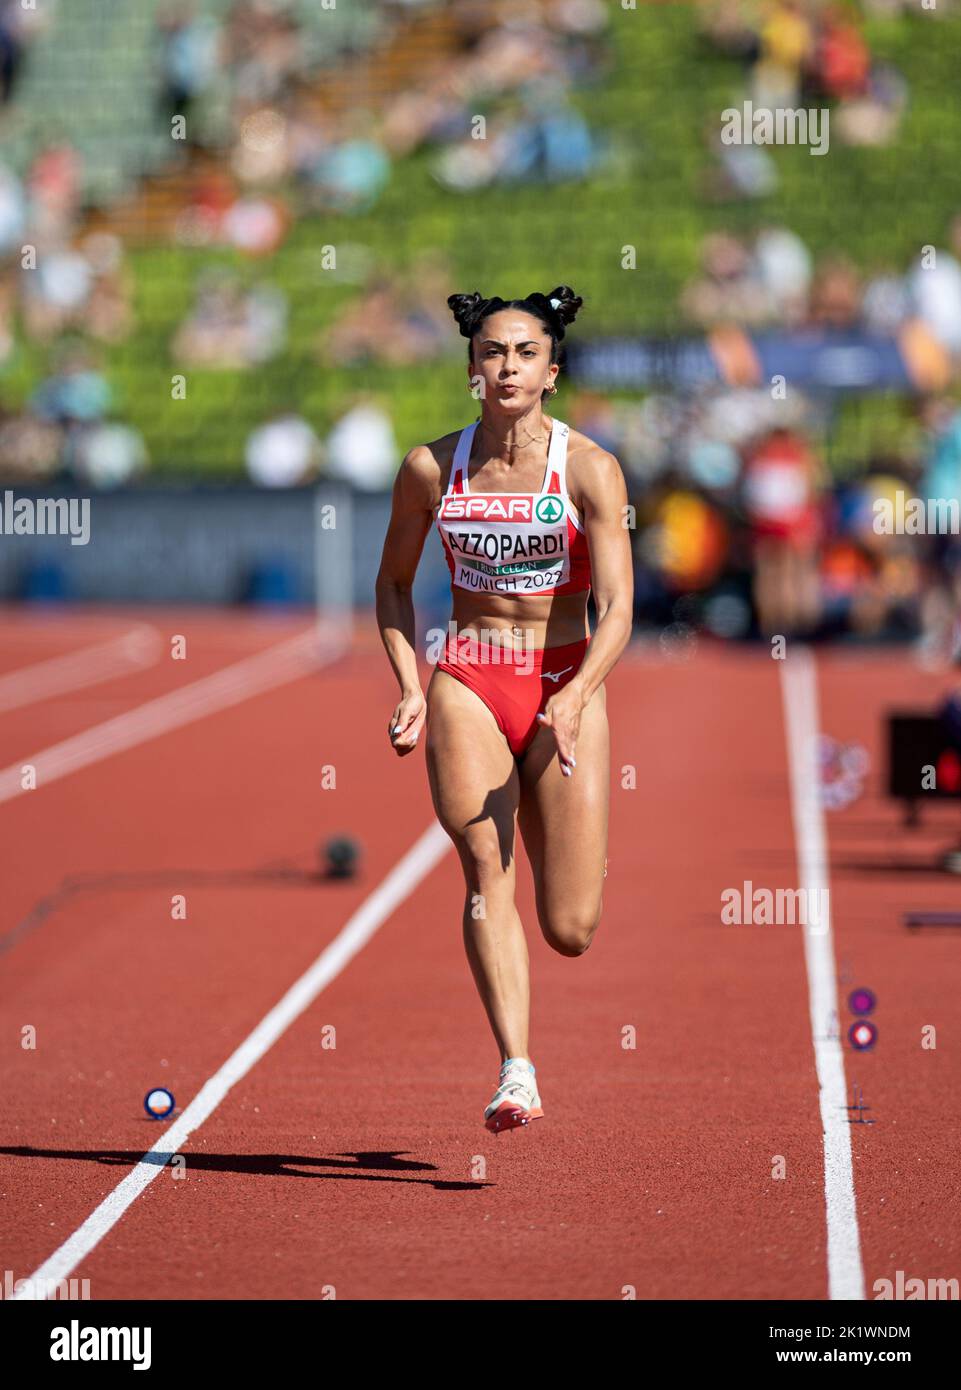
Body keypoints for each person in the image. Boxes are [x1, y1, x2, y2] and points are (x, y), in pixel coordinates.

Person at [375, 286, 634, 1133]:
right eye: (493, 352)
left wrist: (579, 692)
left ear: (551, 374)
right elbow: (390, 585)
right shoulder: (428, 468)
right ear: (470, 371)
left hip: (566, 680)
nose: (508, 366)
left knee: (571, 928)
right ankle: (515, 1069)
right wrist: (413, 684)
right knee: (485, 873)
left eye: (526, 353)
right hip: (472, 677)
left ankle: (558, 831)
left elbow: (621, 609)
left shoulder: (590, 468)